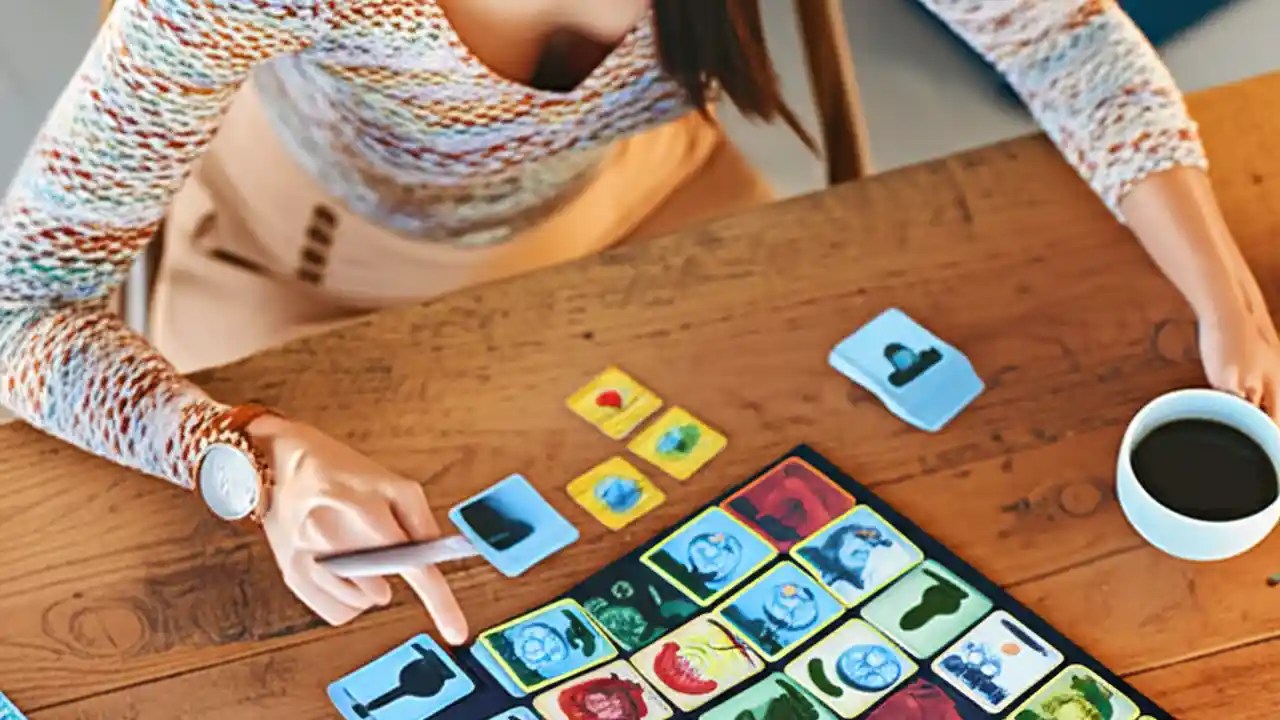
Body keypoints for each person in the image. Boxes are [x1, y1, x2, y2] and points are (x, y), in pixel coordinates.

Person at [0, 0, 1275, 645]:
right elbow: (22, 306)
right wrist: (251, 453)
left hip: (652, 194)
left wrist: (1225, 296)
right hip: (325, 271)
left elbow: (1059, 34)